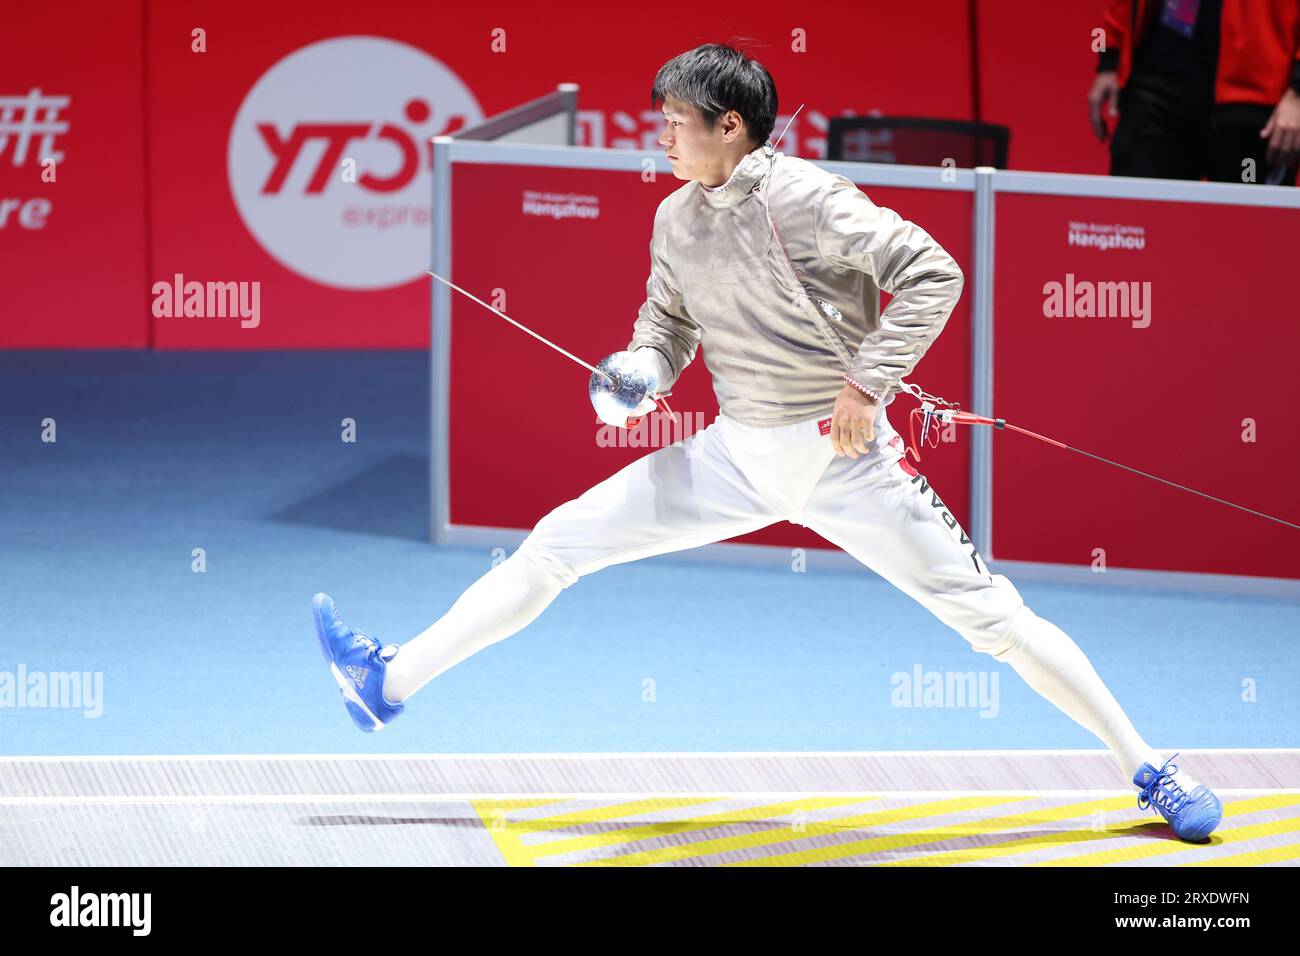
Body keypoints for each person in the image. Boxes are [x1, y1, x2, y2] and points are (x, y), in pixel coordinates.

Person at [315, 42, 1223, 843]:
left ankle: (1152, 768)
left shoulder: (809, 197)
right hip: (734, 456)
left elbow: (933, 271)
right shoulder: (674, 216)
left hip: (843, 460)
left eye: (677, 123)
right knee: (556, 545)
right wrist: (636, 375)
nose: (662, 139)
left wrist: (870, 384)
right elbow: (666, 327)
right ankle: (388, 684)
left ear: (732, 126)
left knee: (997, 625)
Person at [1088, 0, 1300, 184]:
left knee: (1249, 226)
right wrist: (1110, 52)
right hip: (1157, 81)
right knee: (1137, 220)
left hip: (1253, 99)